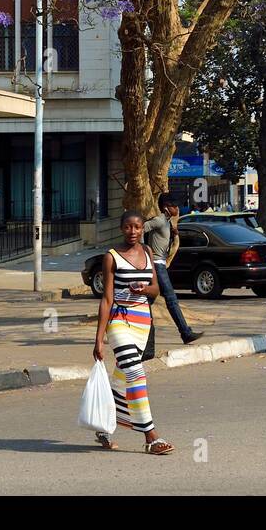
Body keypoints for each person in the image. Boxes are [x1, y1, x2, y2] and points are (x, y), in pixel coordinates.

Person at [92, 210, 174, 454]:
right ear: (121, 228)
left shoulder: (148, 252)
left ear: (142, 229)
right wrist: (99, 340)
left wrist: (143, 289)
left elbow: (156, 289)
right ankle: (151, 437)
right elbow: (106, 299)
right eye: (128, 227)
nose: (133, 231)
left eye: (137, 227)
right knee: (136, 372)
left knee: (122, 377)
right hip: (118, 319)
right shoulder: (111, 257)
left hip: (142, 321)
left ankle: (105, 425)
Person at [141, 192, 203, 344]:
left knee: (148, 300)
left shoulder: (167, 222)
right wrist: (143, 250)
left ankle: (132, 324)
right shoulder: (159, 220)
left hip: (160, 263)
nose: (178, 208)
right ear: (166, 207)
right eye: (174, 205)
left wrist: (174, 234)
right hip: (156, 264)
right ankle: (185, 333)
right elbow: (141, 228)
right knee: (171, 299)